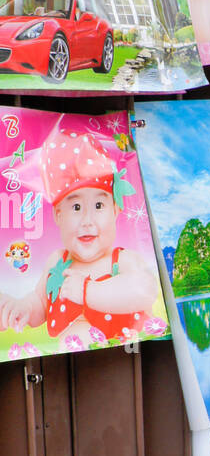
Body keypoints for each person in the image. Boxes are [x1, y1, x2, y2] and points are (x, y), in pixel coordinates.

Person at [0, 129, 158, 343]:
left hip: (124, 360)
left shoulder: (122, 260)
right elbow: (41, 302)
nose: (87, 220)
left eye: (99, 205)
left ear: (115, 210)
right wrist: (23, 309)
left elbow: (144, 291)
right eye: (75, 207)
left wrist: (88, 291)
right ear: (58, 215)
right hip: (73, 366)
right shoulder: (58, 262)